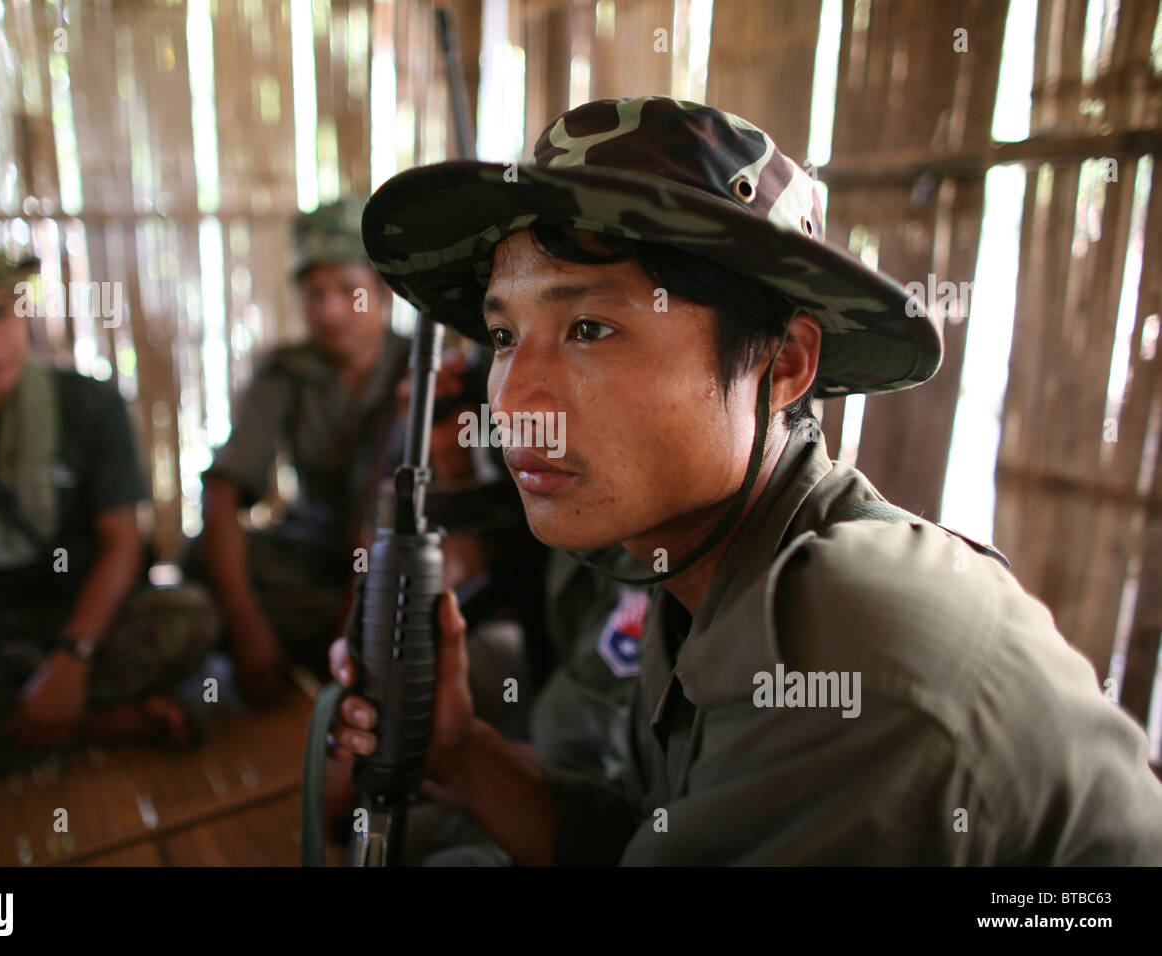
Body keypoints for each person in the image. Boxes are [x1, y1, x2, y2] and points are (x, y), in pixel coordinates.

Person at [326, 95, 1162, 864]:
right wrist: (463, 754)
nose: (513, 401)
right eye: (505, 336)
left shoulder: (844, 633)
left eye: (588, 327)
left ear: (784, 363)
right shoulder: (700, 576)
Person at [0, 236, 217, 776]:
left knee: (189, 616)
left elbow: (123, 543)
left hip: (77, 620)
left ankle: (11, 727)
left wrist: (72, 659)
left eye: (1, 312)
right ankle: (104, 723)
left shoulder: (89, 403)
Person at [192, 197, 410, 702]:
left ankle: (338, 645)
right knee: (201, 559)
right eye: (315, 294)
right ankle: (317, 646)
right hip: (311, 556)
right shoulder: (284, 373)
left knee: (427, 594)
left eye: (348, 291)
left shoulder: (424, 371)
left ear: (383, 293)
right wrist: (247, 626)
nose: (331, 310)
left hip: (394, 561)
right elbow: (222, 493)